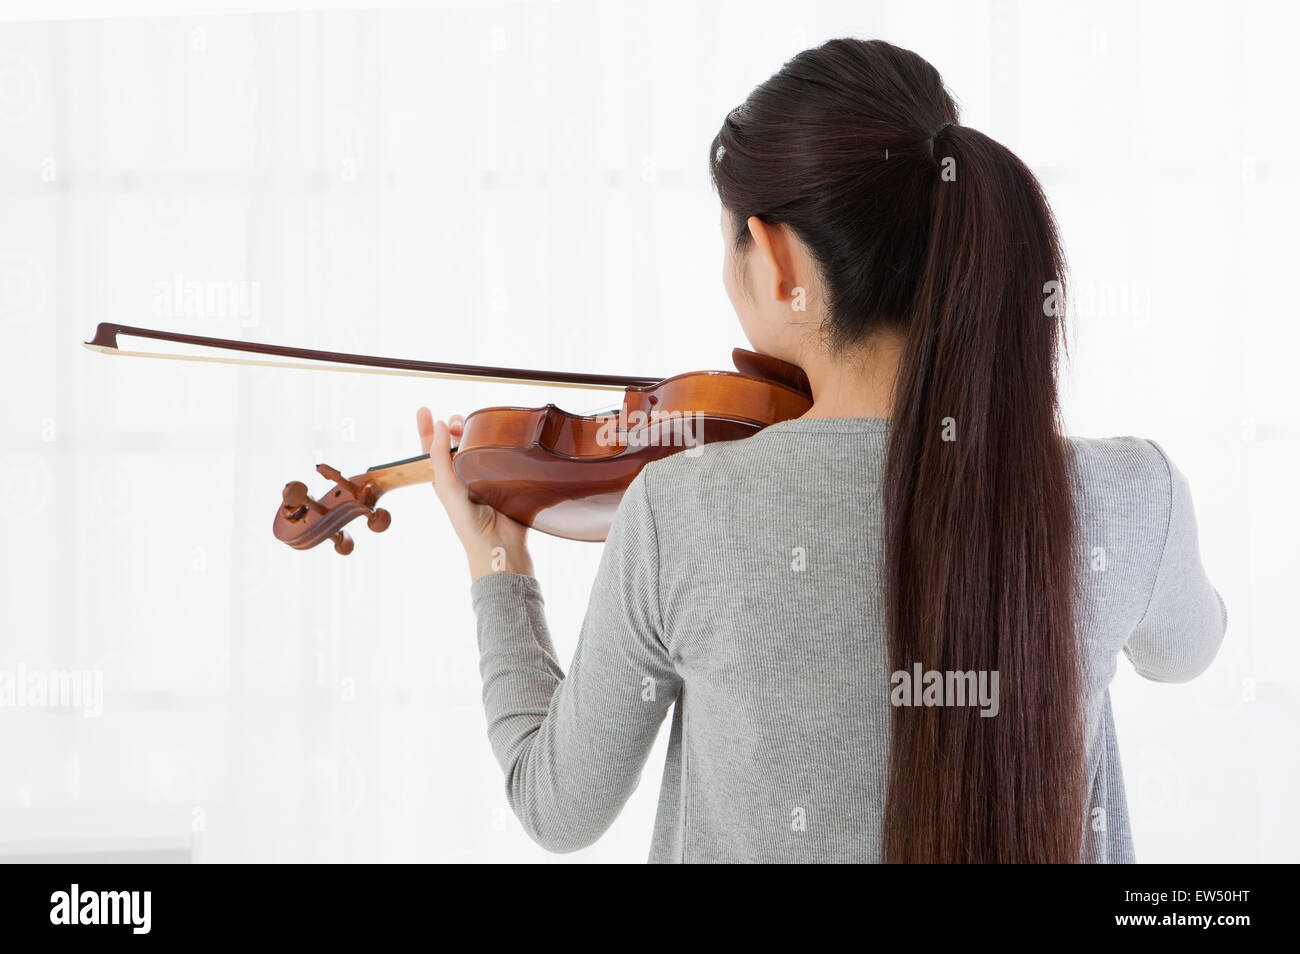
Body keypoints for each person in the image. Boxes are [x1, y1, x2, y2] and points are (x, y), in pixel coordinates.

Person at [415, 37, 1227, 863]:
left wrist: (498, 569)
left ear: (775, 256)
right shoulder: (1132, 495)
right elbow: (1187, 651)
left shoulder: (682, 512)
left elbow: (558, 807)